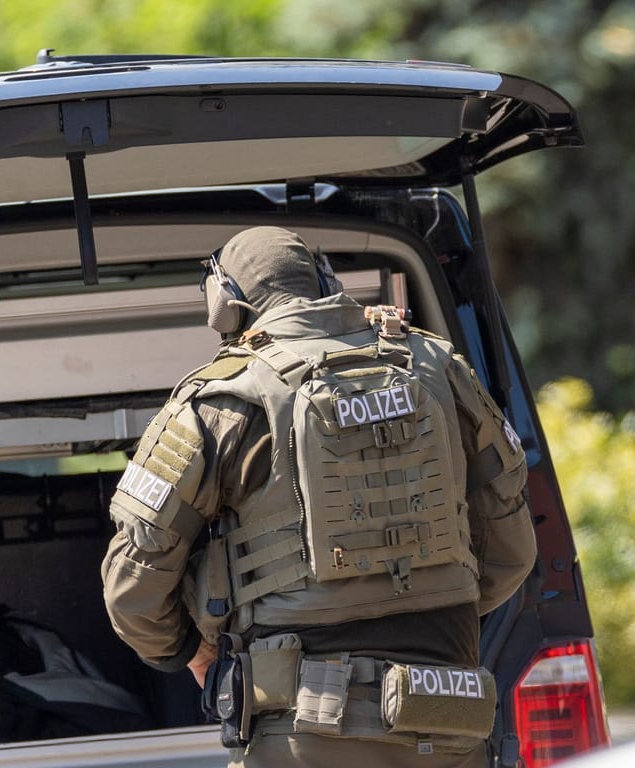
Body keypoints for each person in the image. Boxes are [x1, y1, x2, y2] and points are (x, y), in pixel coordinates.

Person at [100, 226, 536, 767]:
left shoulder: (221, 401)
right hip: (449, 715)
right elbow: (511, 553)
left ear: (226, 305)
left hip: (304, 731)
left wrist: (191, 651)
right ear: (325, 280)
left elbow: (133, 594)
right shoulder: (440, 367)